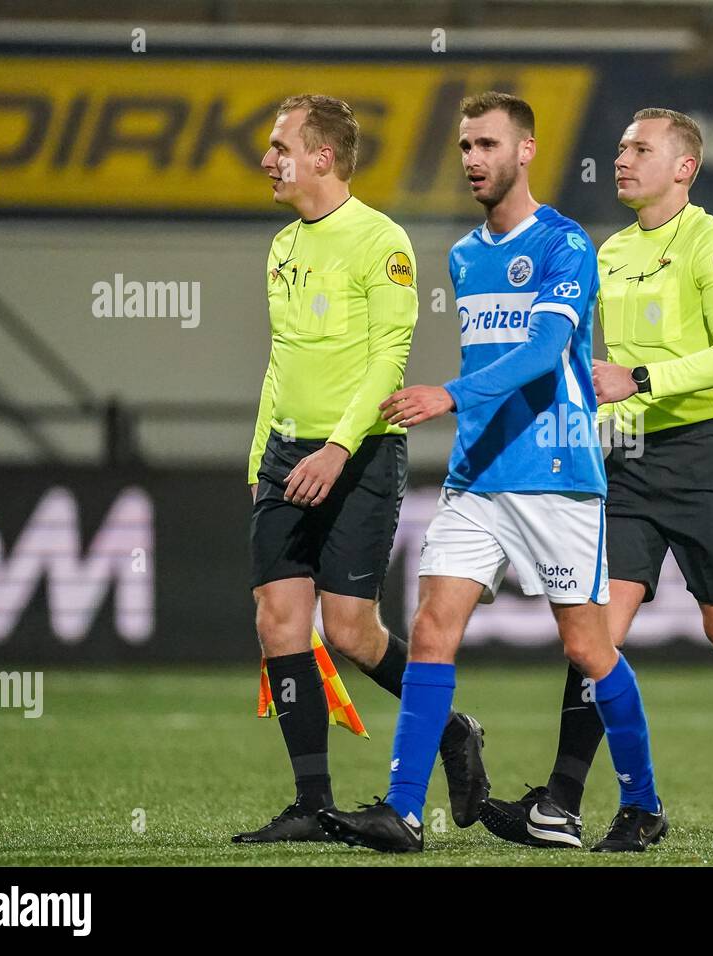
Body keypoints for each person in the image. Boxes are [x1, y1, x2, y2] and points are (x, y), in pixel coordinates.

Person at [316, 92, 666, 854]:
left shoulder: (566, 245)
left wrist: (446, 394)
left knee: (588, 650)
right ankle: (404, 811)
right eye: (466, 145)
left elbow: (542, 354)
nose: (472, 158)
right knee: (432, 629)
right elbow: (495, 359)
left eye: (486, 144)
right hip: (477, 479)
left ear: (527, 150)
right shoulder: (465, 255)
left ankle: (643, 802)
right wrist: (462, 415)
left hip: (556, 473)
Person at [482, 108, 713, 850]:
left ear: (683, 167)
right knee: (592, 633)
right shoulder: (610, 252)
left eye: (641, 149)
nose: (622, 159)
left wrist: (640, 377)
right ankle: (565, 804)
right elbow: (587, 372)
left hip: (707, 456)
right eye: (621, 145)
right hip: (625, 460)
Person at [234, 94, 488, 845]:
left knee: (350, 630)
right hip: (287, 455)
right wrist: (261, 455)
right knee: (277, 621)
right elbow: (282, 359)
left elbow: (389, 360)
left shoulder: (381, 241)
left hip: (361, 454)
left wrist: (338, 448)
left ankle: (451, 730)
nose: (267, 158)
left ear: (322, 156)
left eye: (280, 145)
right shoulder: (282, 245)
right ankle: (313, 803)